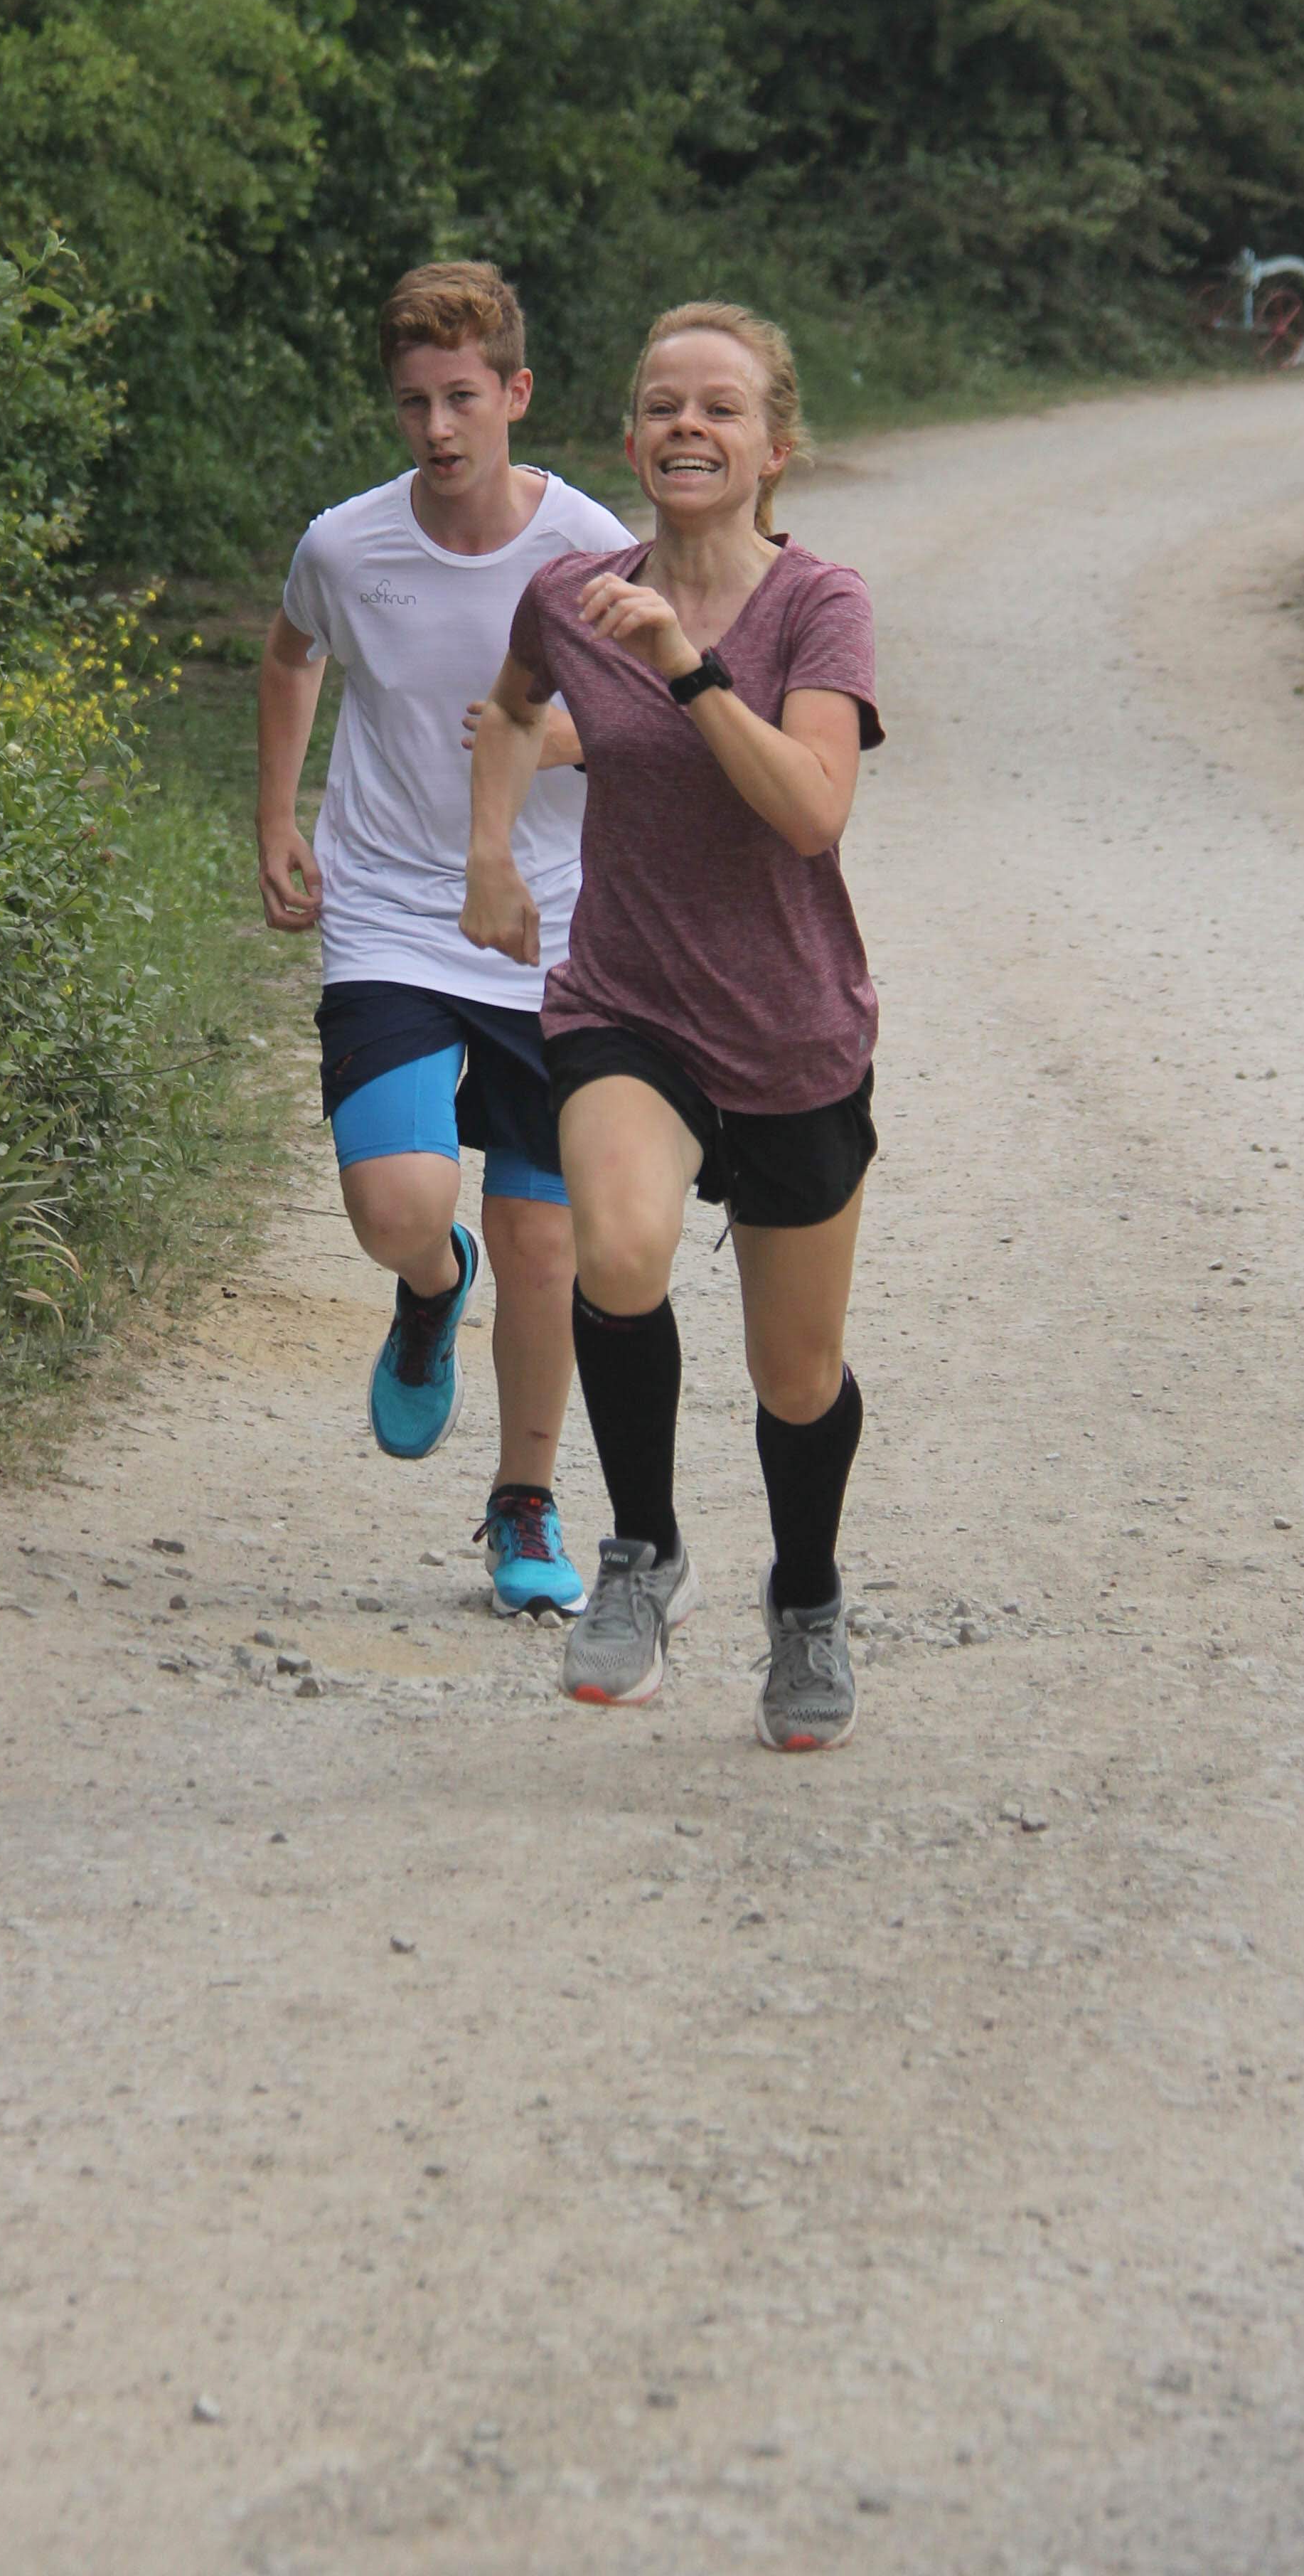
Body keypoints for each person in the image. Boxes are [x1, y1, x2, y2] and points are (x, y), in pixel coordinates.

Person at [461, 300, 882, 1747]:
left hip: (789, 1033)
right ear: (631, 437)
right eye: (660, 405)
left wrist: (684, 667)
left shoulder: (817, 604)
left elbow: (809, 809)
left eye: (718, 407)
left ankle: (805, 1597)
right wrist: (489, 857)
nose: (685, 426)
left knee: (794, 1377)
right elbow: (511, 709)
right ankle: (640, 1552)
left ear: (773, 447)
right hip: (624, 1002)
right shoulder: (569, 594)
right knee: (619, 1247)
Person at [256, 261, 636, 1614]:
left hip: (553, 926)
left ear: (515, 393)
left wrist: (539, 738)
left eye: (463, 397)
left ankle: (524, 1503)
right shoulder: (345, 546)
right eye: (413, 402)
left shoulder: (589, 550)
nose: (437, 427)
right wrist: (276, 816)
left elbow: (647, 721)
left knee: (546, 1247)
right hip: (387, 911)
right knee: (399, 1208)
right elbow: (291, 654)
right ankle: (430, 1289)